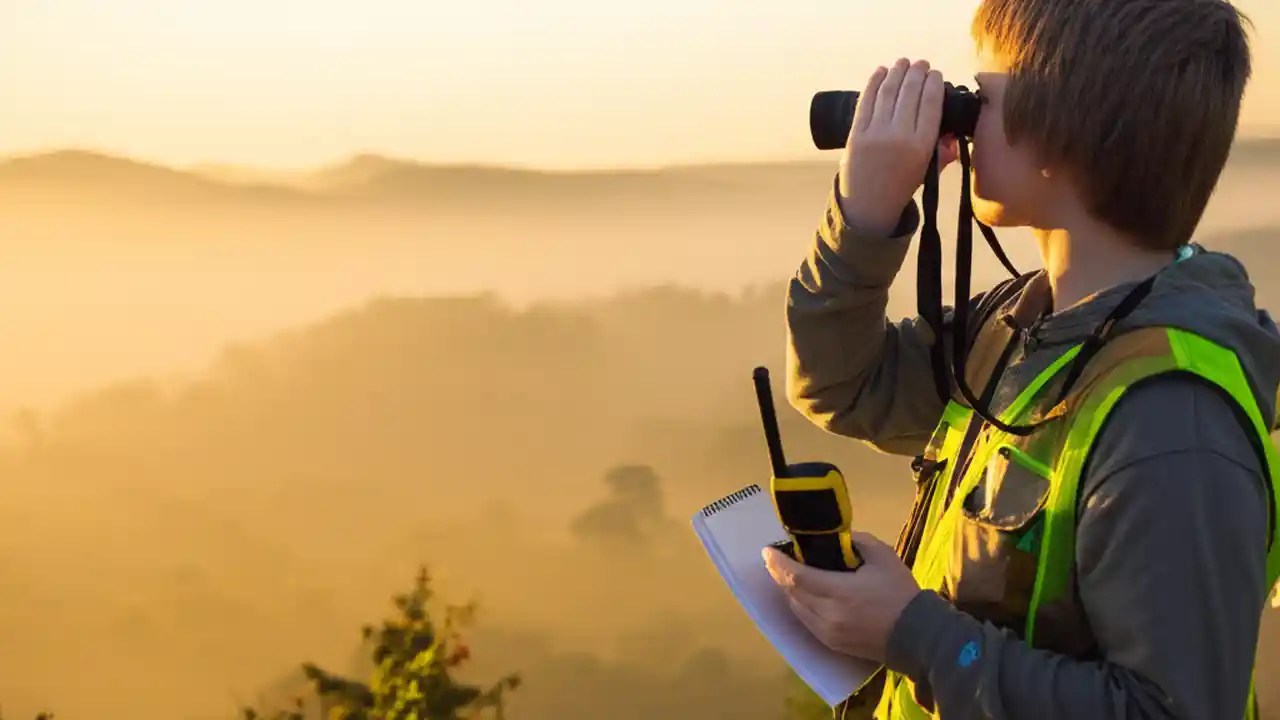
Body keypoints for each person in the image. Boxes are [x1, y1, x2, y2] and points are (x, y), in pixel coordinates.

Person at [762, 0, 1280, 718]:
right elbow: (843, 386)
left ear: (1065, 134)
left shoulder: (1171, 419)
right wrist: (864, 217)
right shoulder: (1023, 329)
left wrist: (911, 633)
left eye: (985, 96)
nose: (962, 119)